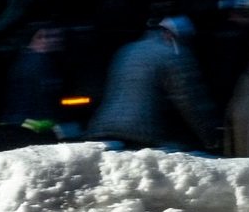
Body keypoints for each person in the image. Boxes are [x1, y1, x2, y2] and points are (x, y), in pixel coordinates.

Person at [88, 14, 220, 151]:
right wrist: (212, 138)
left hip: (101, 129)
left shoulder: (127, 50)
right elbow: (191, 101)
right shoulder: (172, 55)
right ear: (171, 35)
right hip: (139, 133)